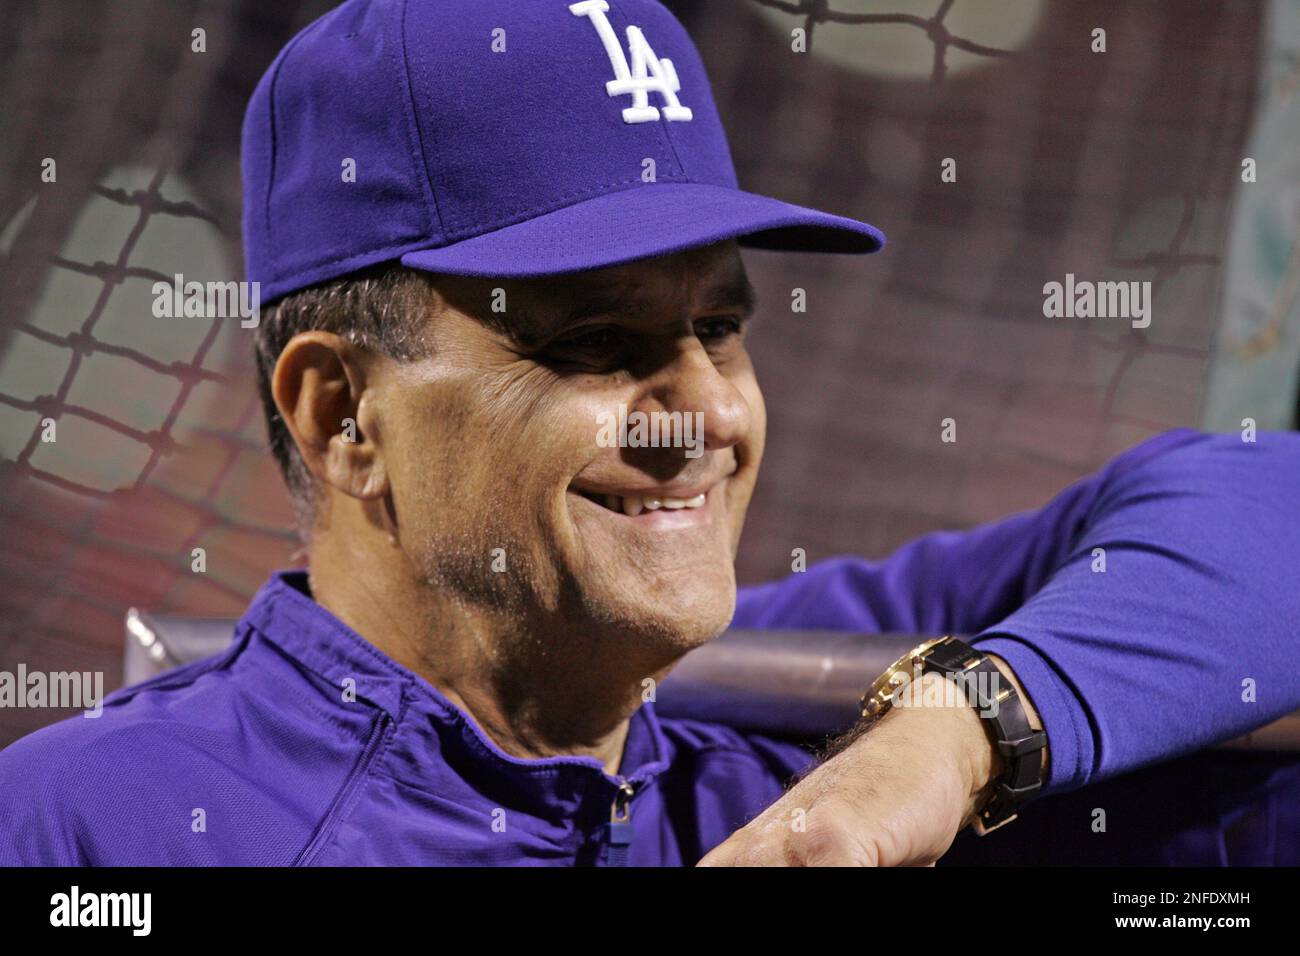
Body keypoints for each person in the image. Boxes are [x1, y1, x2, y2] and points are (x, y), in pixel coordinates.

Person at [1, 0, 1297, 866]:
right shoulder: (86, 831)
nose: (709, 414)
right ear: (344, 418)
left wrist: (952, 735)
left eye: (719, 329)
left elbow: (1272, 508)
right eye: (595, 345)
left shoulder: (805, 715)